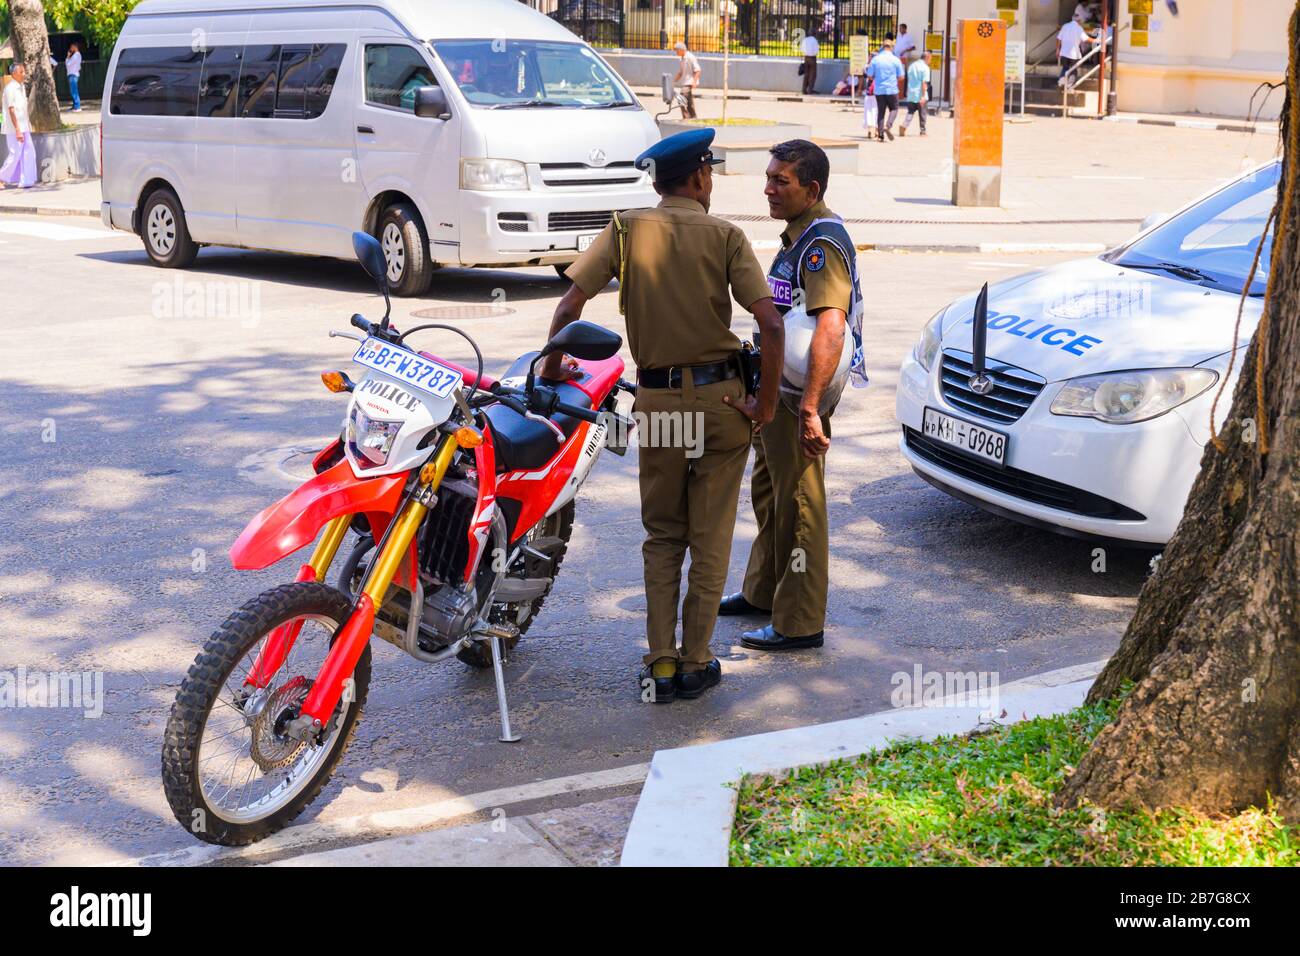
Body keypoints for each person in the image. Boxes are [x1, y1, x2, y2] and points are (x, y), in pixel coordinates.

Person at [542, 129, 785, 703]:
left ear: (658, 181)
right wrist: (765, 405)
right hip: (722, 404)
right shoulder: (725, 234)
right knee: (710, 537)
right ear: (700, 176)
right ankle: (697, 660)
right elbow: (771, 325)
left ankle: (661, 664)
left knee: (662, 536)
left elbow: (570, 305)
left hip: (657, 408)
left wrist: (552, 369)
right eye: (711, 172)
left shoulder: (626, 230)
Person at [720, 140, 868, 651]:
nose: (768, 188)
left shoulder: (822, 243)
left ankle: (800, 621)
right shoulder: (798, 238)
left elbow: (831, 325)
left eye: (781, 181)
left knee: (802, 501)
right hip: (777, 393)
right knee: (771, 493)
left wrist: (809, 409)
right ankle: (763, 591)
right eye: (768, 177)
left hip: (798, 399)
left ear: (812, 188)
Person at [0, 63, 37, 190]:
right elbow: (11, 110)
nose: (24, 74)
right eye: (21, 72)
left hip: (24, 126)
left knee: (28, 152)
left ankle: (26, 180)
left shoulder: (21, 87)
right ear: (14, 74)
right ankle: (1, 177)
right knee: (15, 153)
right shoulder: (10, 88)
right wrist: (17, 130)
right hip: (14, 128)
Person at [865, 39, 904, 141]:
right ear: (891, 47)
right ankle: (888, 125)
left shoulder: (875, 59)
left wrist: (876, 78)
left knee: (881, 112)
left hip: (879, 90)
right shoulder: (896, 60)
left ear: (883, 46)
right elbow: (901, 77)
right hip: (892, 89)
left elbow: (869, 75)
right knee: (894, 109)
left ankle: (881, 135)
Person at [1056, 13, 1095, 88]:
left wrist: (1057, 49)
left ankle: (1061, 81)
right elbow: (1086, 39)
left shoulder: (1065, 26)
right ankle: (1069, 85)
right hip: (1074, 54)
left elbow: (1058, 38)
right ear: (1079, 21)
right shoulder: (1078, 28)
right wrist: (1096, 40)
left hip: (1063, 53)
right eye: (1080, 21)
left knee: (1065, 68)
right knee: (1073, 70)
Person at [899, 50, 930, 137]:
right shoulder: (925, 68)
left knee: (910, 112)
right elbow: (924, 83)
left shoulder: (912, 66)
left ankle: (904, 125)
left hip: (911, 94)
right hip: (920, 94)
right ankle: (923, 131)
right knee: (922, 113)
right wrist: (923, 96)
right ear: (927, 58)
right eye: (930, 59)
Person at [673, 41, 701, 119]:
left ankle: (686, 118)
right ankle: (693, 118)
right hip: (685, 82)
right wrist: (673, 81)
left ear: (682, 49)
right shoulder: (681, 59)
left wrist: (694, 82)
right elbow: (681, 73)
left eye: (677, 50)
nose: (676, 52)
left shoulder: (690, 57)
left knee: (681, 98)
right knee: (689, 102)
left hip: (689, 83)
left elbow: (697, 70)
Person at [801, 30, 820, 95]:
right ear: (814, 34)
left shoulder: (805, 40)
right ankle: (810, 90)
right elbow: (816, 51)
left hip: (806, 58)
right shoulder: (815, 40)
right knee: (813, 75)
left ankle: (804, 90)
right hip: (812, 58)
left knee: (806, 74)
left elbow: (802, 49)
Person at [65, 42, 83, 112]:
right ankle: (75, 106)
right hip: (72, 74)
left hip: (73, 74)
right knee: (73, 91)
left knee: (74, 91)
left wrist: (68, 57)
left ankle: (77, 106)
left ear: (75, 47)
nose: (70, 48)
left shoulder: (76, 55)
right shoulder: (76, 55)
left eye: (72, 47)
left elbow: (68, 64)